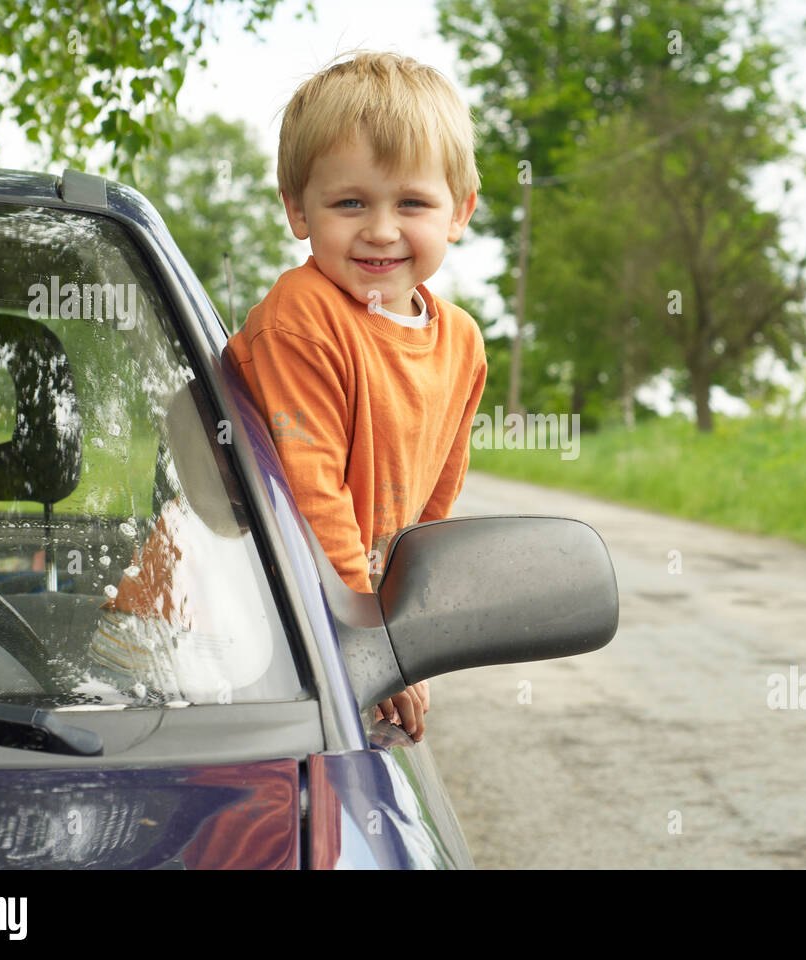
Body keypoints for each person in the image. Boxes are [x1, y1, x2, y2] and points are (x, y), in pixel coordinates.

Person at [224, 49, 488, 742]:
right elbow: (310, 494)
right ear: (297, 210)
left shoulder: (460, 341)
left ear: (459, 211)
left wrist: (402, 631)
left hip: (326, 628)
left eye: (412, 202)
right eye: (350, 202)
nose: (380, 228)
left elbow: (431, 510)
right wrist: (375, 643)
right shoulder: (301, 316)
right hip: (220, 626)